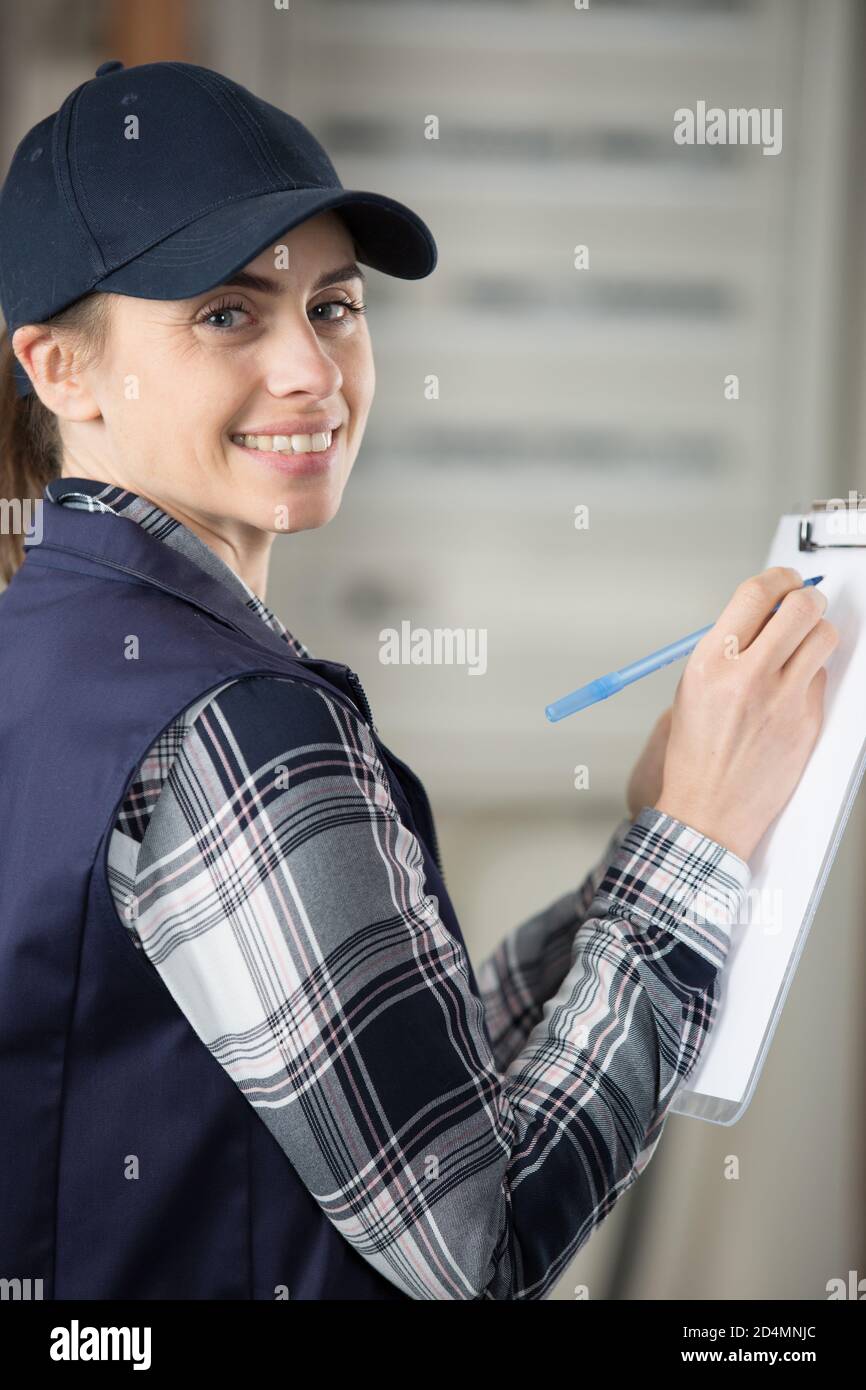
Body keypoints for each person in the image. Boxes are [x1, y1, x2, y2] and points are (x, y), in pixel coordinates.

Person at [0, 61, 838, 1302]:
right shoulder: (235, 728)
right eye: (227, 314)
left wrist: (652, 845)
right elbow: (477, 1253)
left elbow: (384, 1093)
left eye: (332, 305)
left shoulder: (46, 642)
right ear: (62, 370)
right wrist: (699, 845)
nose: (312, 371)